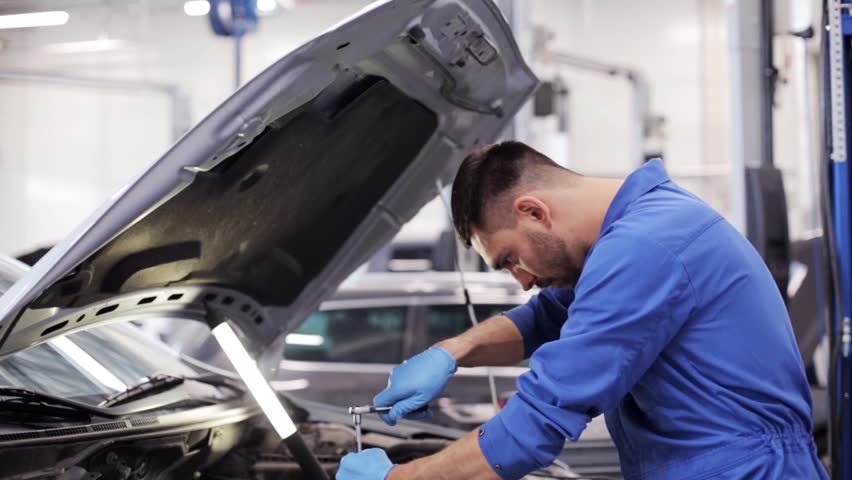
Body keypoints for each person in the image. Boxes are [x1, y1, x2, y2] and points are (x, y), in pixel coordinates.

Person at [336, 141, 828, 479]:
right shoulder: (638, 227)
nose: (522, 281)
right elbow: (547, 317)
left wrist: (398, 477)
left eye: (509, 259)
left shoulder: (644, 248)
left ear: (533, 211)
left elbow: (534, 427)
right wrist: (452, 351)